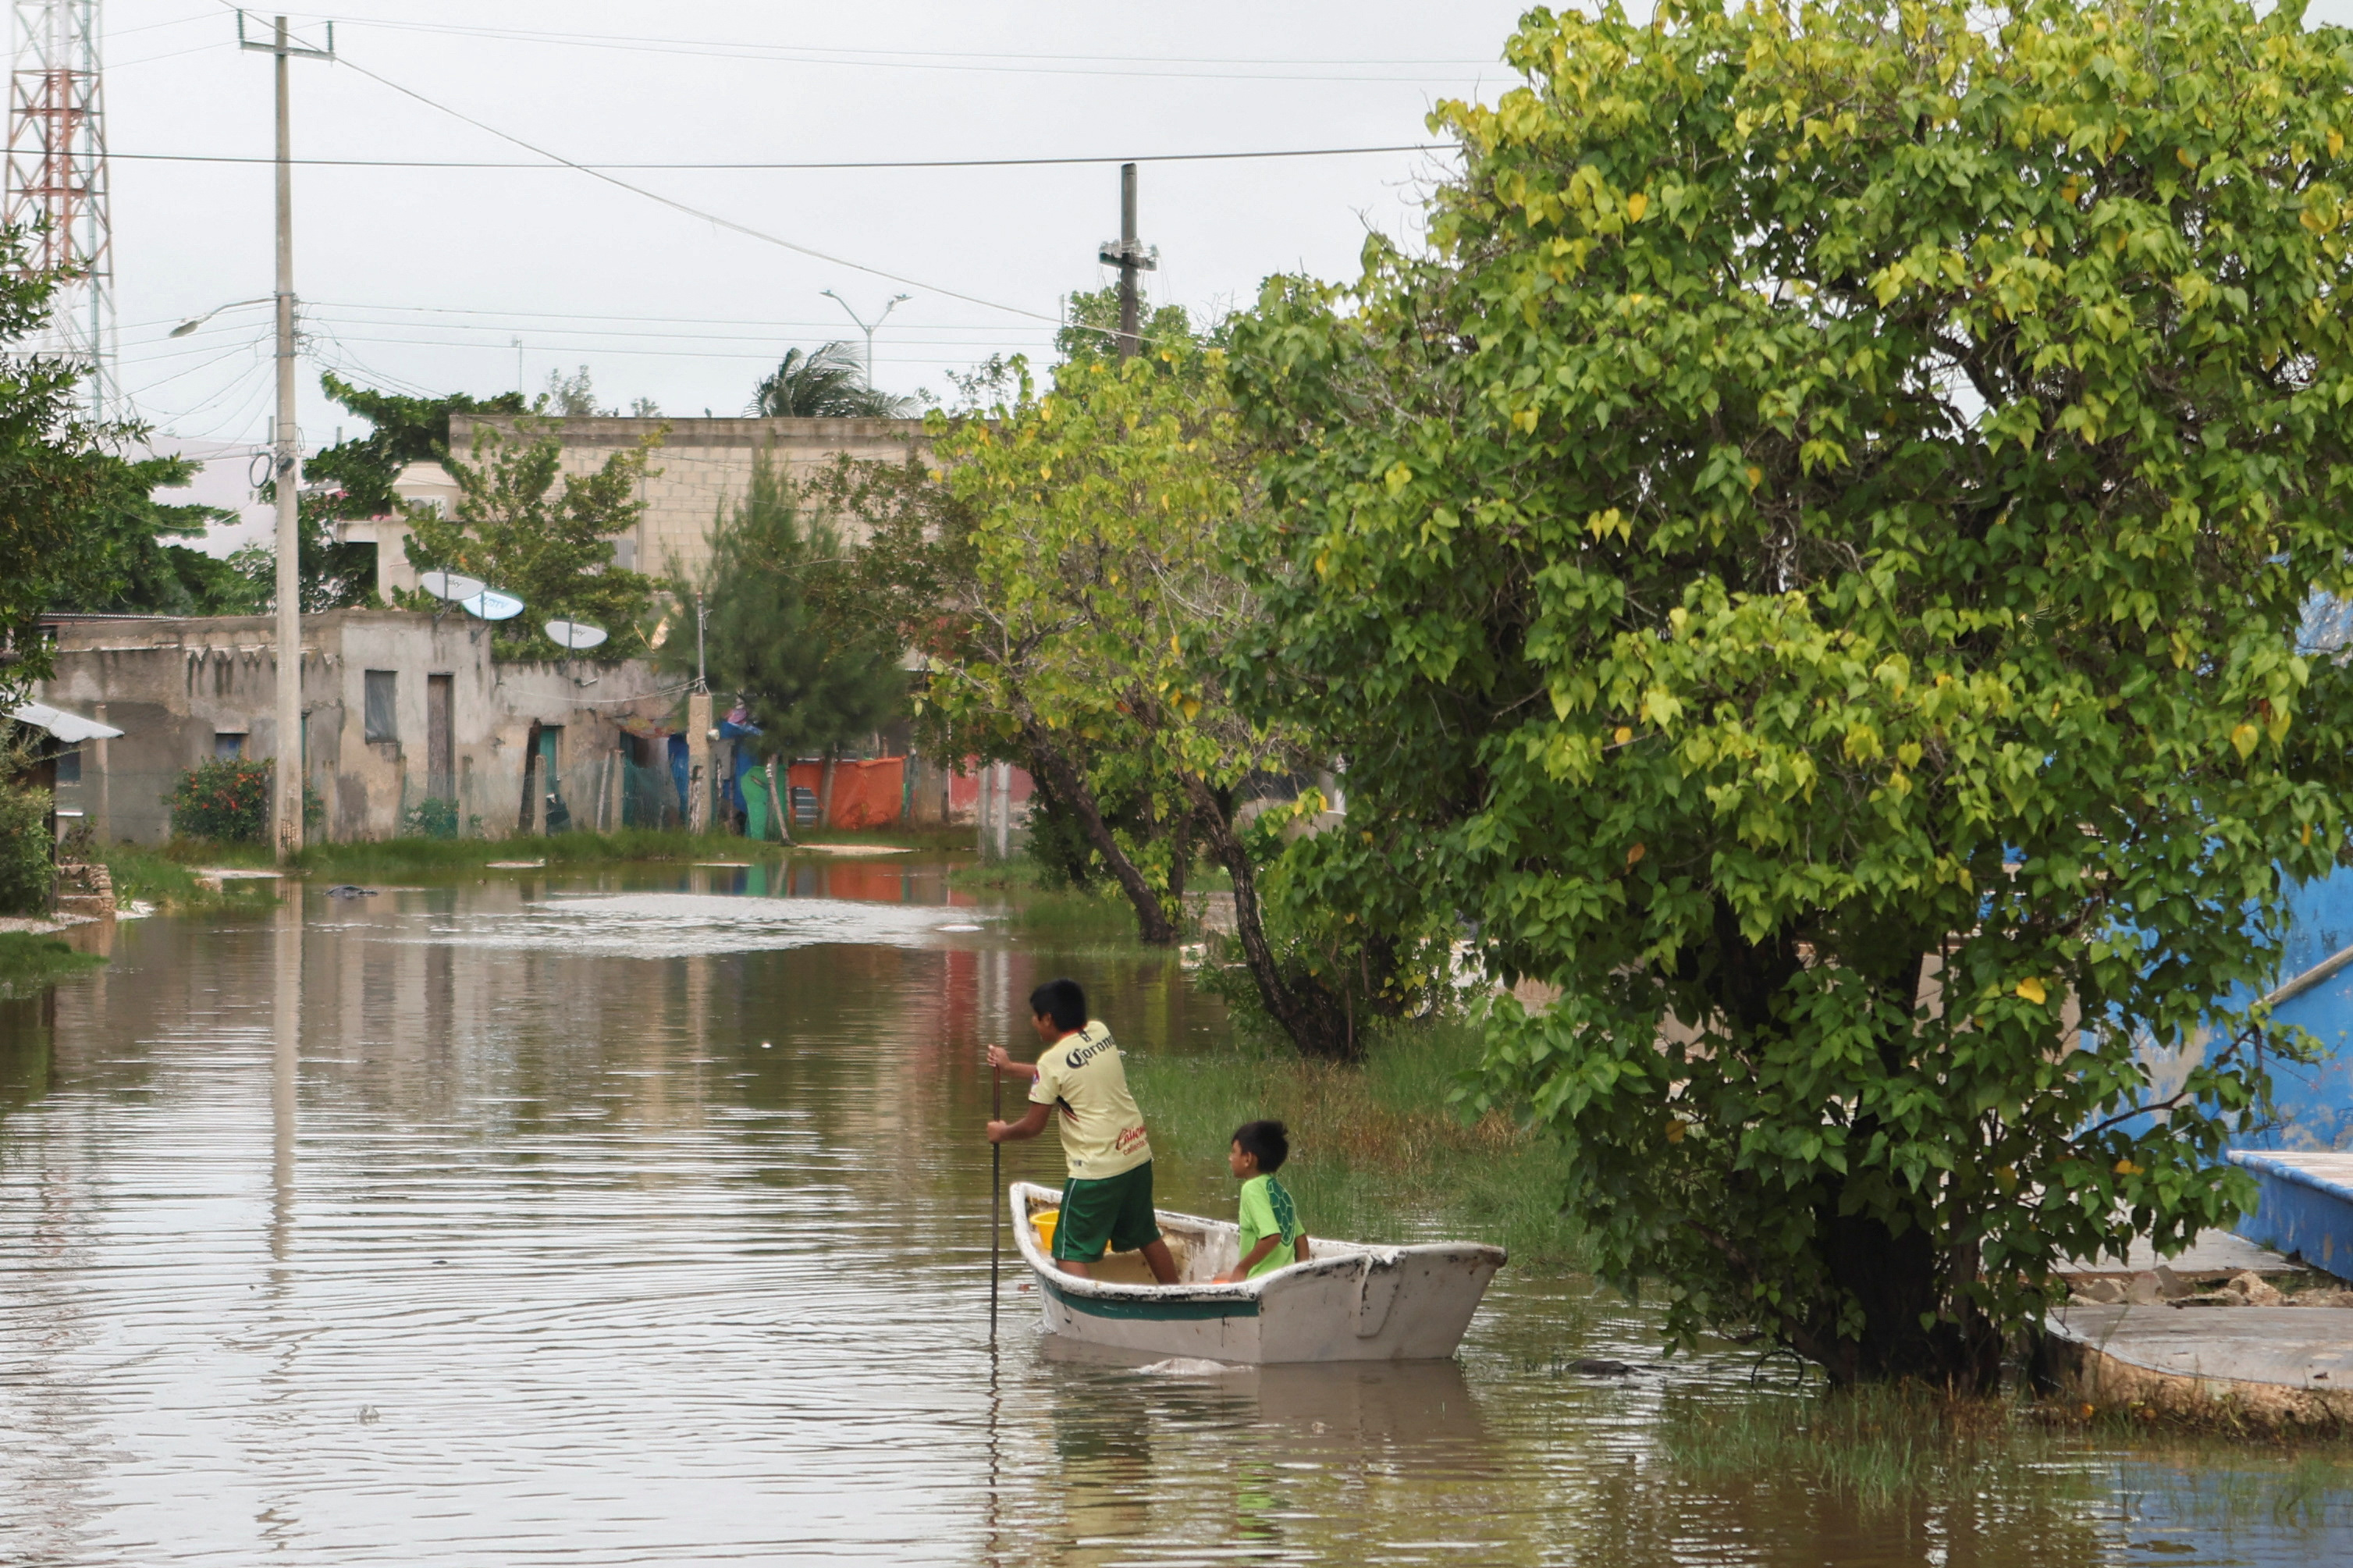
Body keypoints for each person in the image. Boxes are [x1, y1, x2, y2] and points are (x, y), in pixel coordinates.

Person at [986, 977, 1179, 1283]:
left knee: (1067, 1250)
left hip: (1097, 1169)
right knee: (1146, 1234)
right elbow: (1062, 1073)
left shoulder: (1051, 1063)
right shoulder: (1100, 1032)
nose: (1033, 1022)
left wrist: (1002, 1132)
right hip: (1136, 1154)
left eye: (1035, 1016)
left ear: (1048, 1019)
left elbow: (1034, 1125)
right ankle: (1175, 1296)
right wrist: (1010, 1068)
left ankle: (1086, 1307)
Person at [1214, 1119, 1308, 1283]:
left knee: (1194, 1285)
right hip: (1282, 1279)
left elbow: (1272, 1236)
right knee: (1220, 1277)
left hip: (1260, 1281)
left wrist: (1242, 1268)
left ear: (1248, 1159)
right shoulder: (1279, 1191)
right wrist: (1301, 1278)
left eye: (1234, 1152)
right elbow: (1300, 1239)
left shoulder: (1251, 1189)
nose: (1230, 1158)